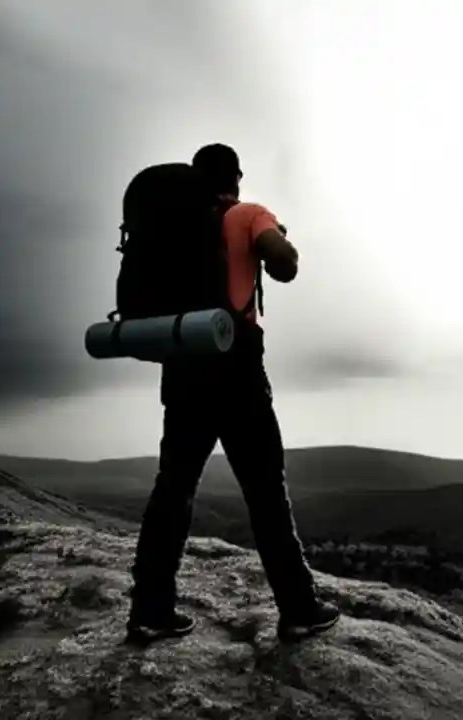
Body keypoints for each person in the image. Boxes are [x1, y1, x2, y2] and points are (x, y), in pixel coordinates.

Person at [125, 143, 342, 644]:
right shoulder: (247, 213)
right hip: (237, 369)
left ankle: (150, 611)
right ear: (236, 179)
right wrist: (276, 238)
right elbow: (284, 265)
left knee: (172, 491)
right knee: (266, 493)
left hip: (182, 366)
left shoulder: (170, 223)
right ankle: (299, 608)